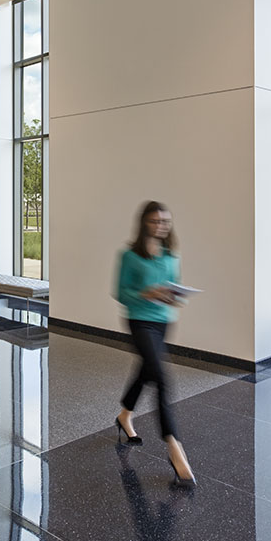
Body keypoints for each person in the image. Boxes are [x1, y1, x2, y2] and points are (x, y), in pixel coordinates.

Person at [114, 201, 196, 487]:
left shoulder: (171, 256)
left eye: (165, 221)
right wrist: (147, 293)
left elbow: (176, 288)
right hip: (139, 322)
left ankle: (125, 415)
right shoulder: (129, 255)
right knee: (161, 377)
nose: (160, 225)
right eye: (154, 220)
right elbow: (121, 292)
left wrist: (174, 296)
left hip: (163, 322)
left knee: (147, 371)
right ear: (144, 223)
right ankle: (173, 445)